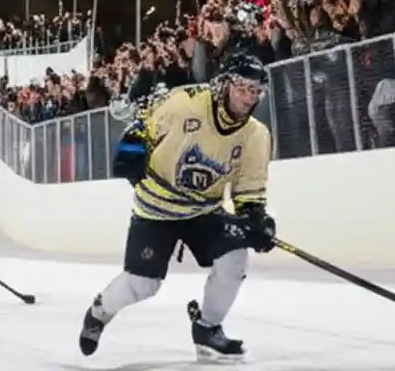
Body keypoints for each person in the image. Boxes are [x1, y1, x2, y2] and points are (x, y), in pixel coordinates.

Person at [77, 52, 275, 361]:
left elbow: (248, 188)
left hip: (203, 212)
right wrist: (133, 146)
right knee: (143, 285)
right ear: (224, 84)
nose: (248, 97)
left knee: (235, 257)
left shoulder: (256, 135)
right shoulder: (185, 103)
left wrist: (256, 218)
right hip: (156, 207)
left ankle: (208, 329)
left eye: (255, 91)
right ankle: (99, 312)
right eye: (242, 87)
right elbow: (144, 124)